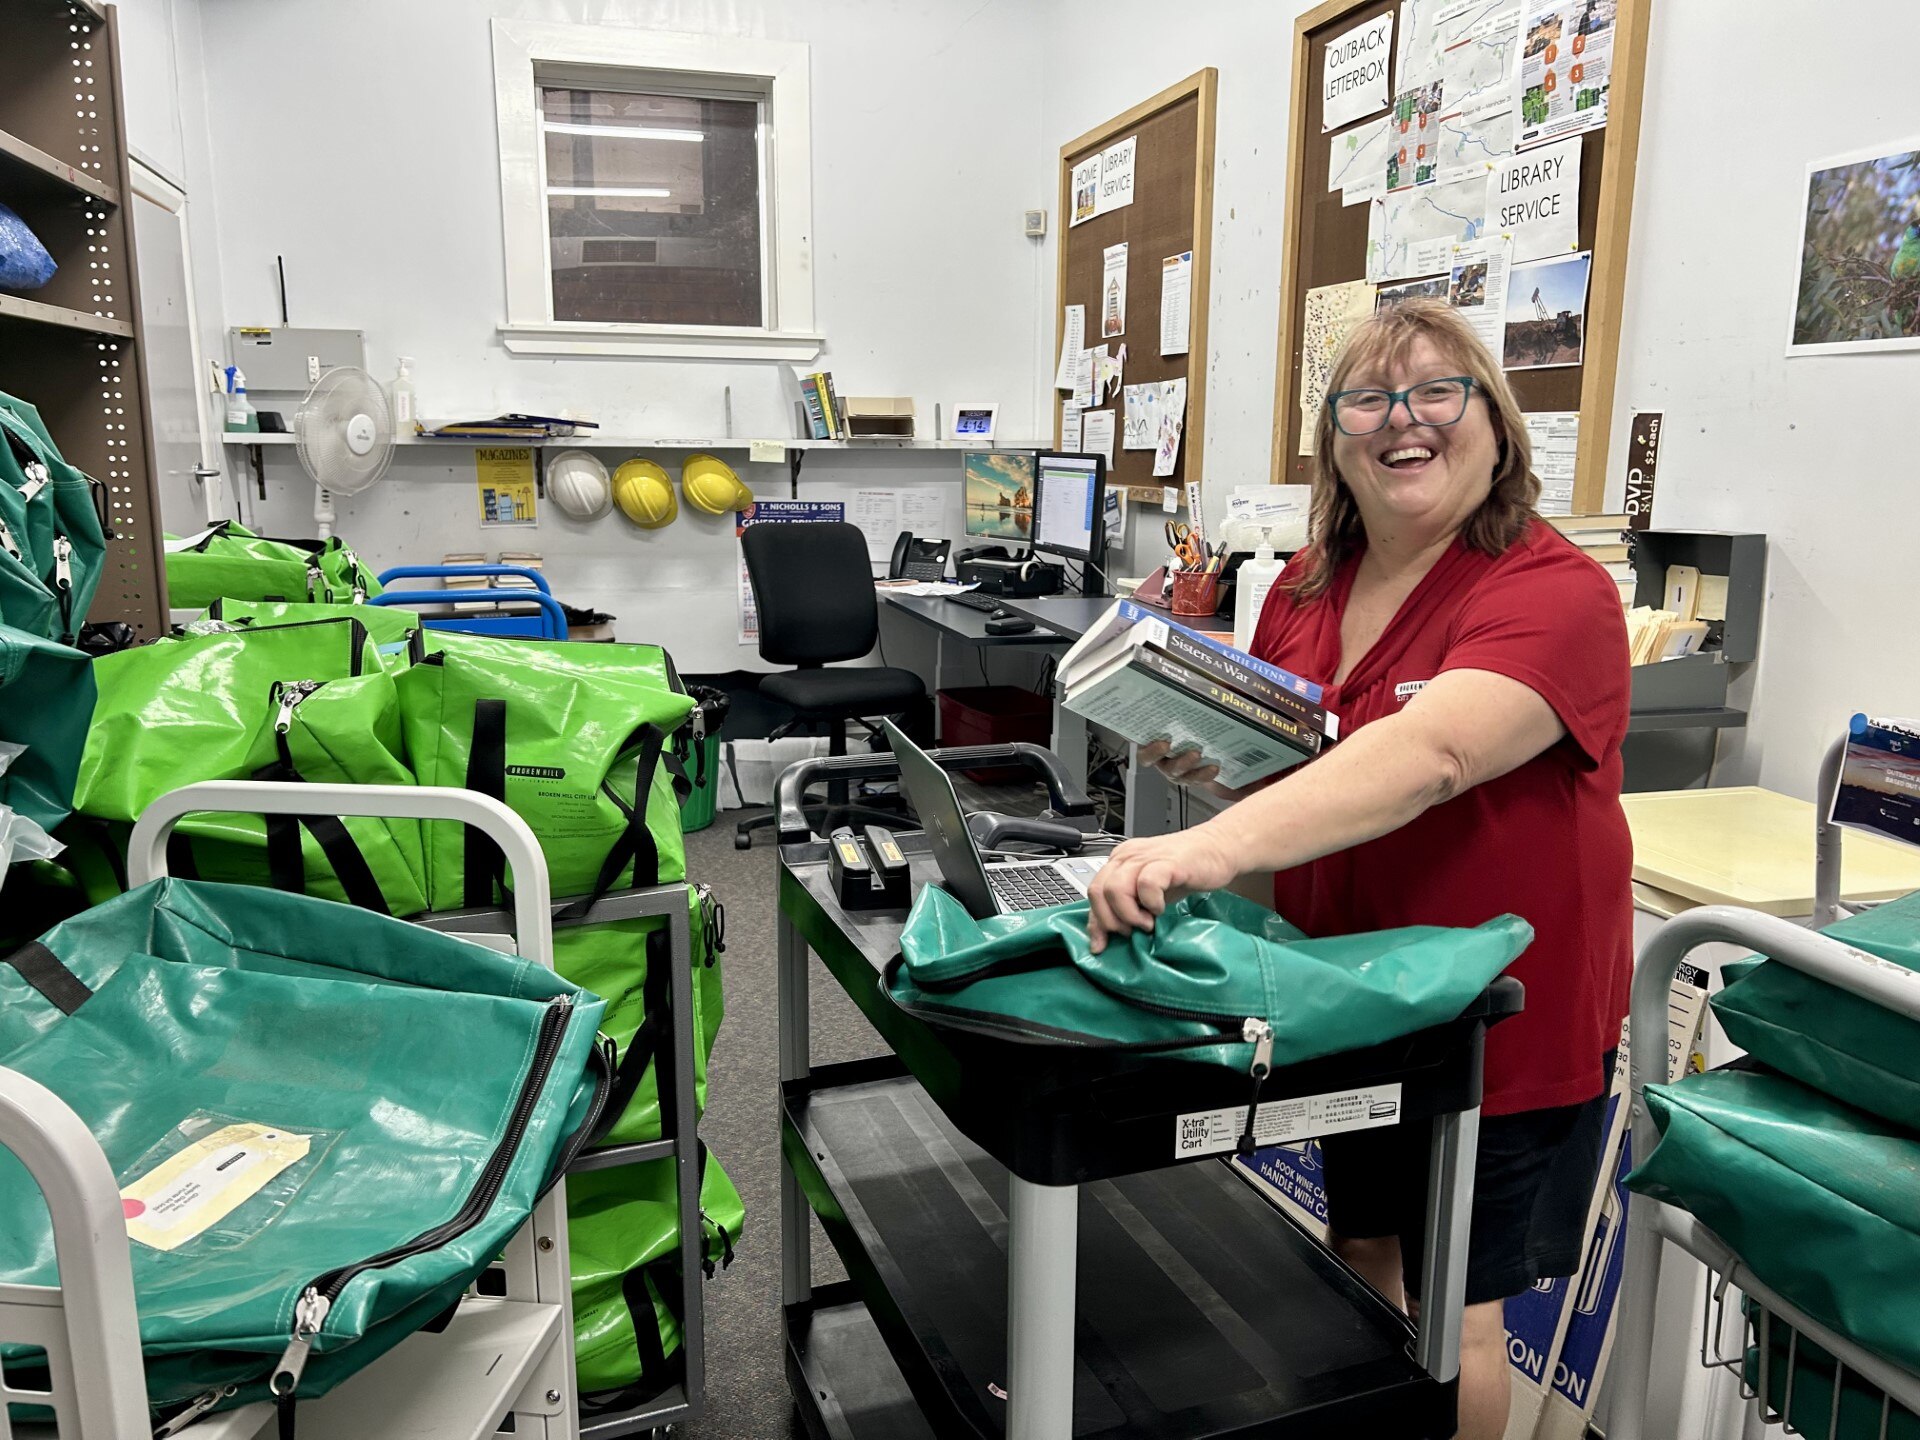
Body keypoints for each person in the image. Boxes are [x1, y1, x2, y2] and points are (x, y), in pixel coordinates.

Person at [1085, 300, 1631, 1440]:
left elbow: (1434, 756)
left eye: (1438, 393)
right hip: (1348, 994)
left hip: (1494, 1020)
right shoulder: (1302, 586)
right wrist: (1220, 777)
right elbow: (1307, 783)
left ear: (1496, 424)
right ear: (1334, 439)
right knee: (1358, 1248)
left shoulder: (1554, 591)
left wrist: (1204, 847)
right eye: (1369, 400)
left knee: (1458, 1314)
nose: (1403, 421)